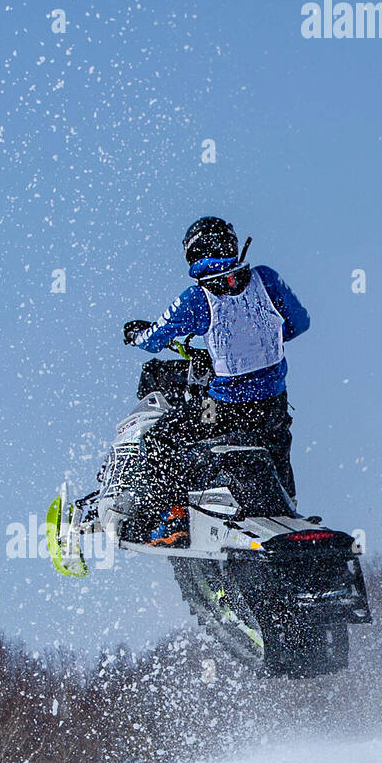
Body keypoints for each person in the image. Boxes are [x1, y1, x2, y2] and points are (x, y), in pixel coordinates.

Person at [123, 216, 309, 546]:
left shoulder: (197, 298)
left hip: (223, 410)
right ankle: (288, 511)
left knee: (161, 437)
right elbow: (299, 323)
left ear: (194, 254)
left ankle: (174, 518)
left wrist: (136, 333)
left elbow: (153, 340)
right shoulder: (267, 278)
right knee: (276, 443)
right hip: (273, 407)